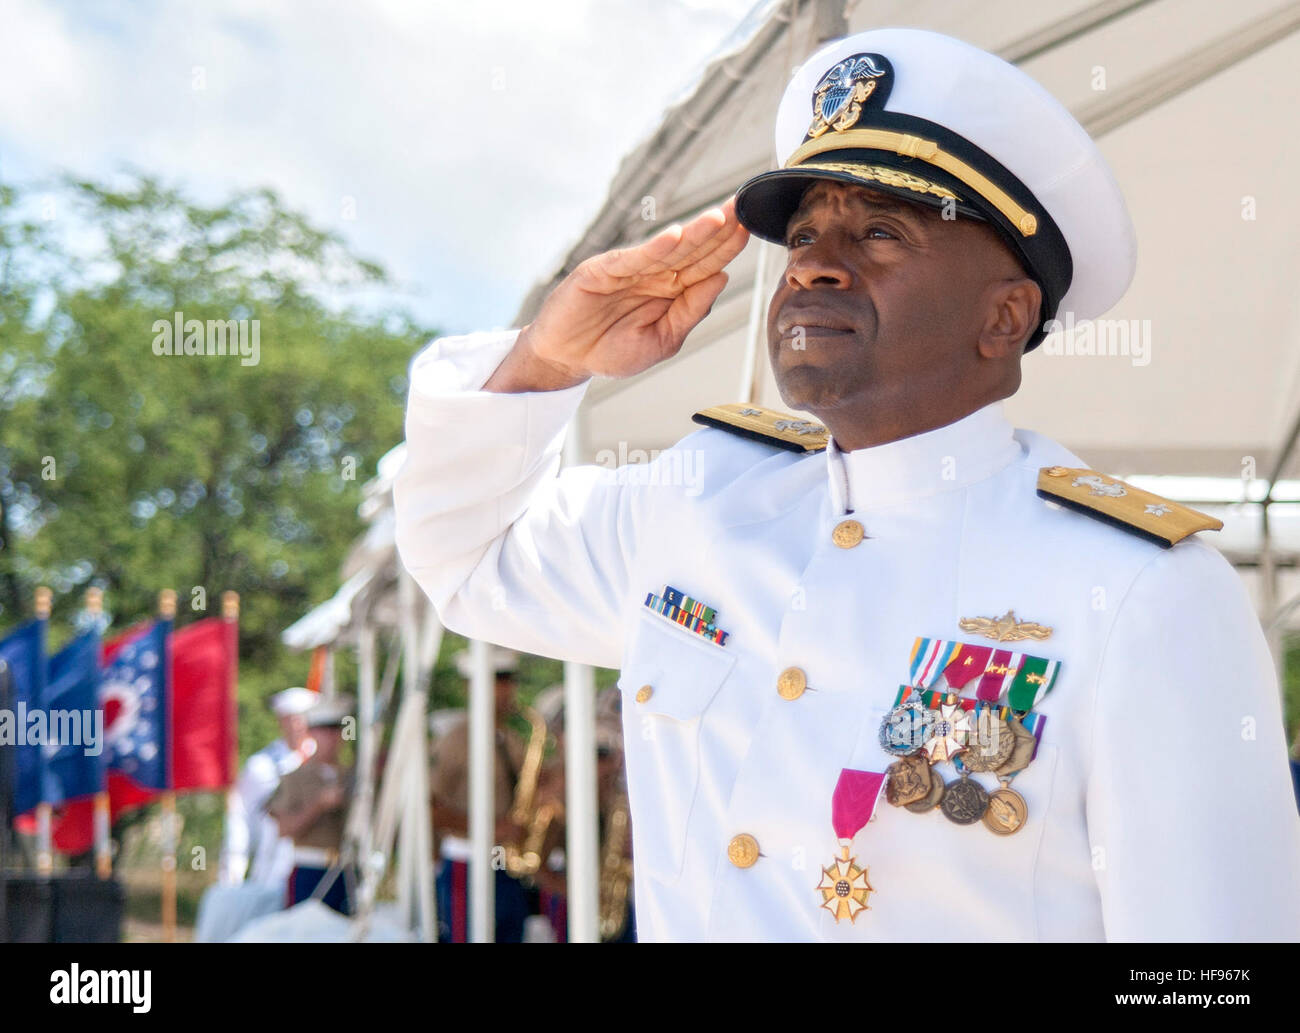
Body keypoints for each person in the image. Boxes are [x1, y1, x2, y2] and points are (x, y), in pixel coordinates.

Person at [393, 27, 1300, 941]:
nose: (815, 264)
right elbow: (469, 558)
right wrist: (544, 361)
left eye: (878, 231)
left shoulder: (1143, 592)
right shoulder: (700, 496)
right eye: (804, 234)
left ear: (1005, 316)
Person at [429, 647, 542, 942]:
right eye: (497, 679)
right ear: (472, 685)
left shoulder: (511, 738)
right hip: (466, 863)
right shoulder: (456, 739)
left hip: (504, 863)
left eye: (509, 679)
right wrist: (489, 828)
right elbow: (430, 807)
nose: (506, 689)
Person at [218, 686, 317, 889]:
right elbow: (240, 820)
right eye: (293, 718)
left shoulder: (323, 762)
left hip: (315, 869)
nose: (300, 725)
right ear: (281, 721)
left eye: (306, 718)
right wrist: (231, 878)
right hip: (272, 874)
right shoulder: (261, 767)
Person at [266, 695, 355, 915]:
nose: (332, 737)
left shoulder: (354, 777)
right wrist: (319, 805)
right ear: (312, 733)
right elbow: (284, 829)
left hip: (347, 870)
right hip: (310, 870)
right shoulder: (294, 777)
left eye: (336, 730)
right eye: (324, 730)